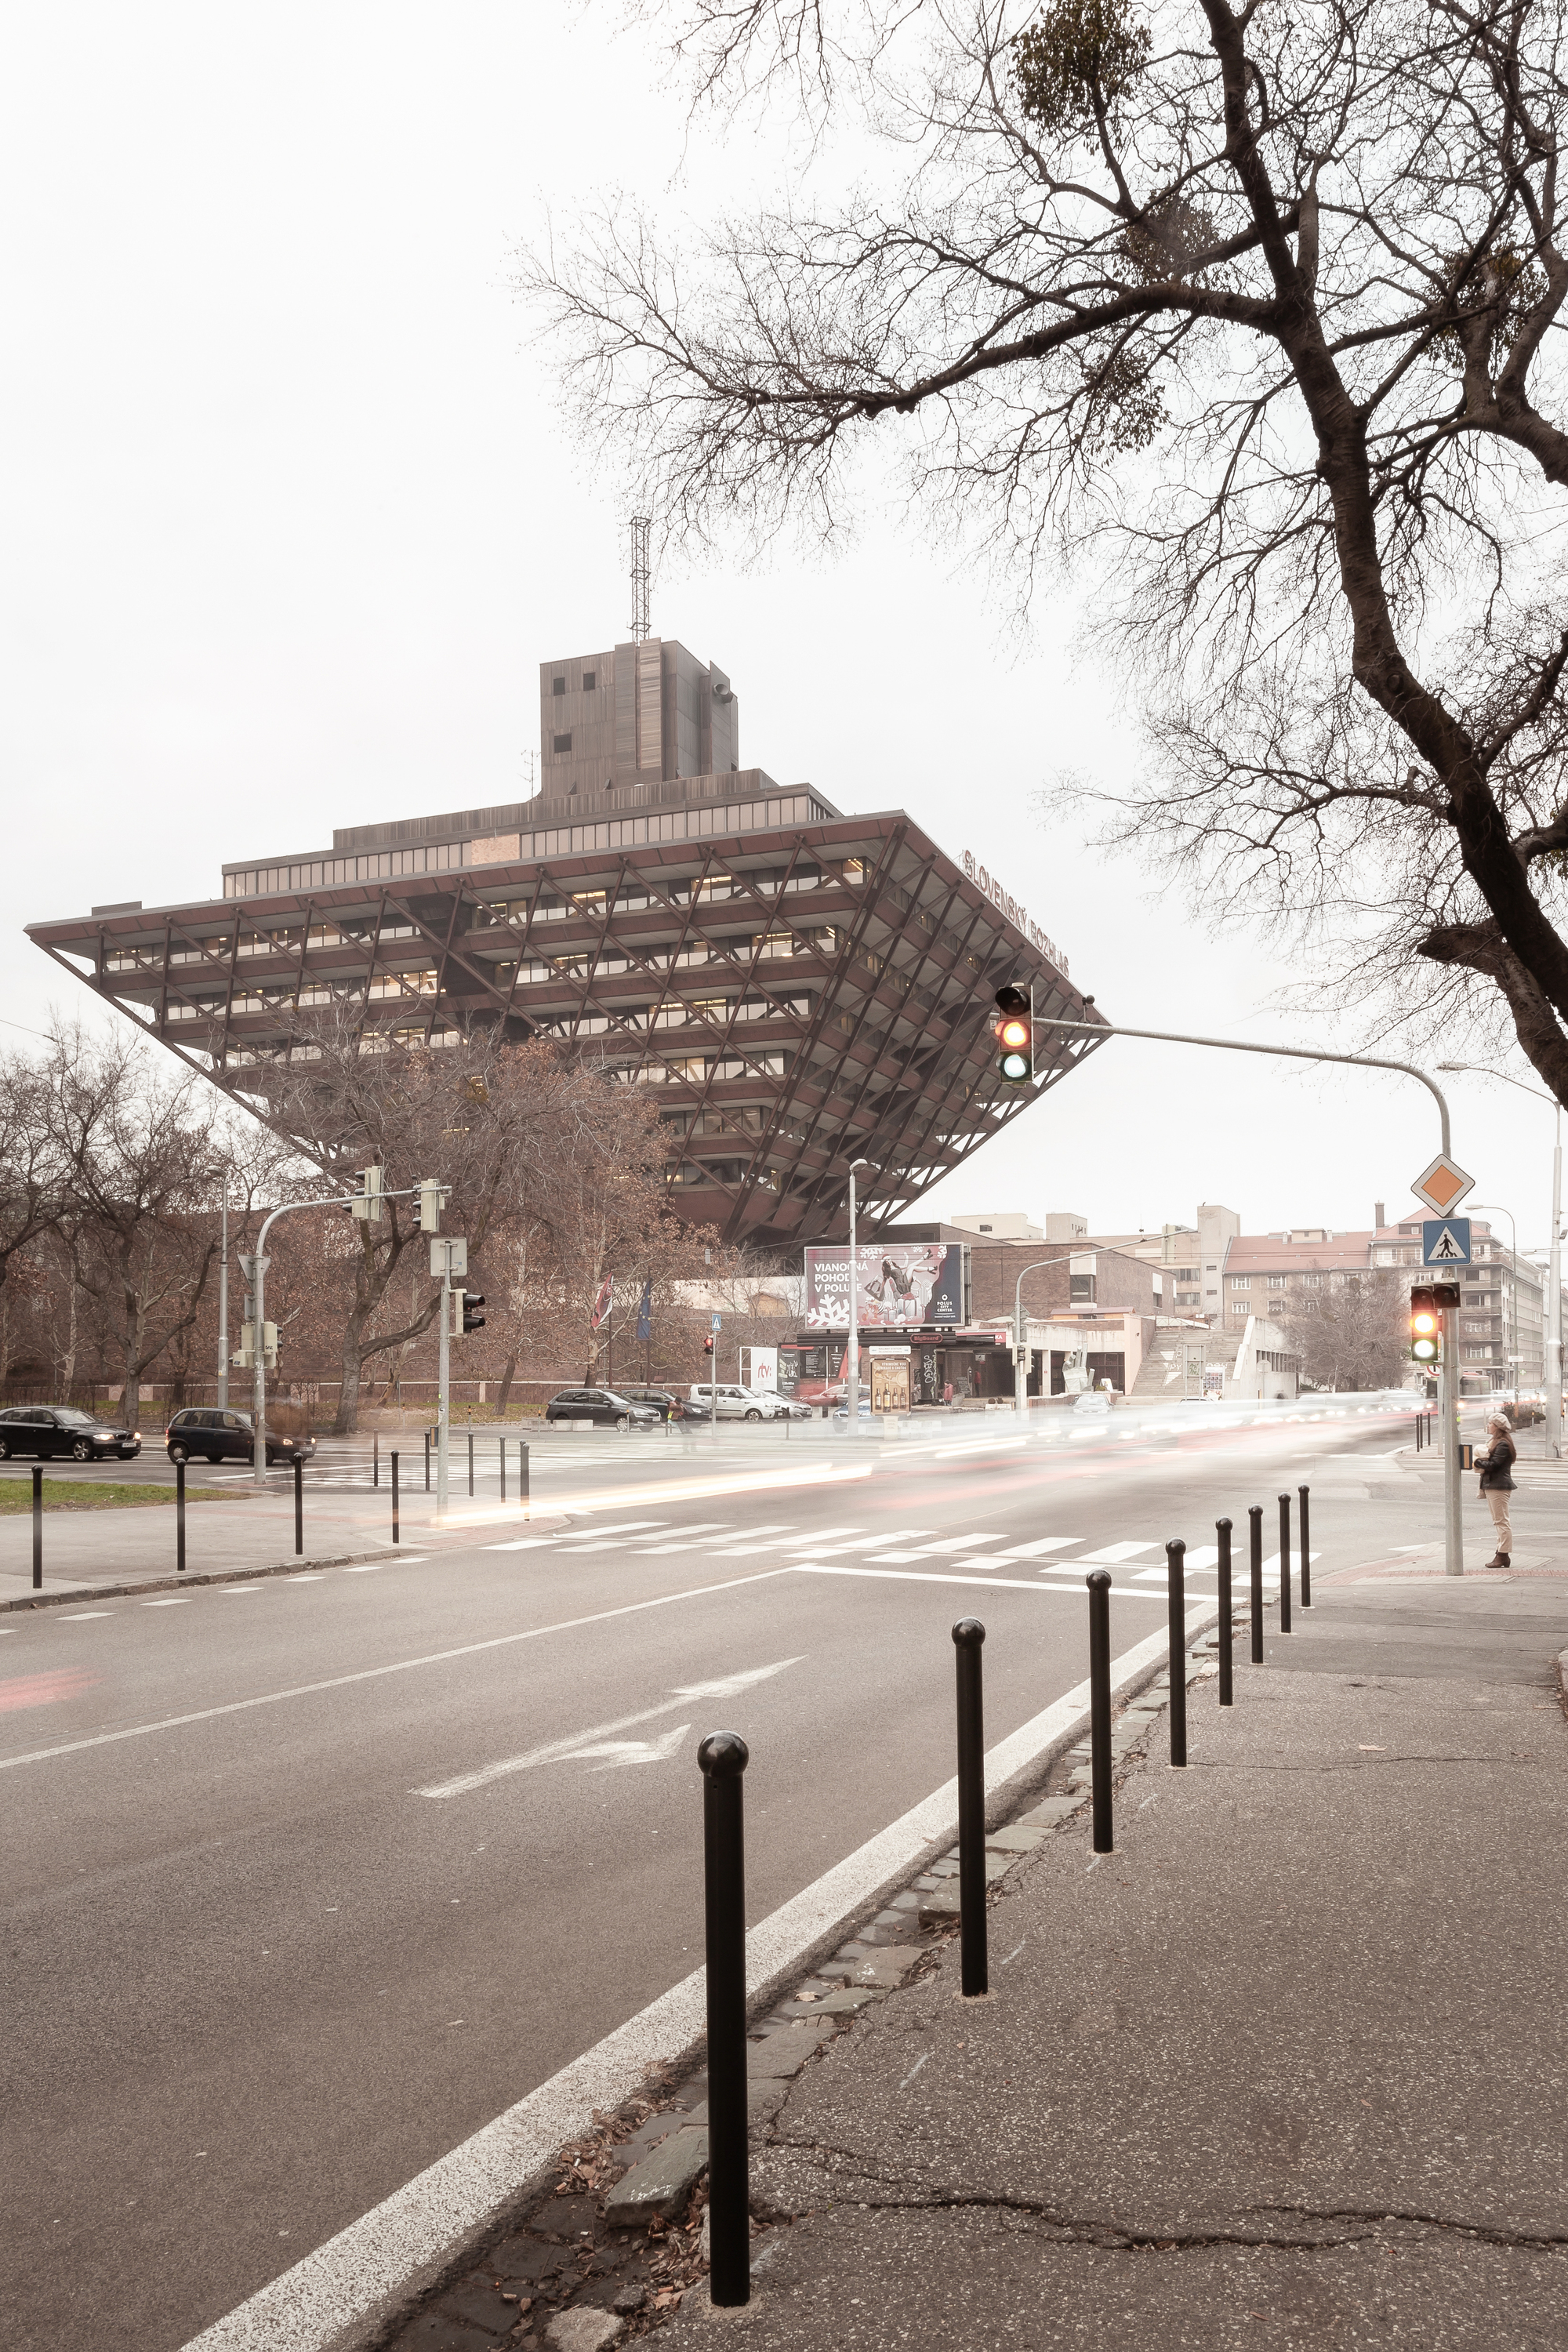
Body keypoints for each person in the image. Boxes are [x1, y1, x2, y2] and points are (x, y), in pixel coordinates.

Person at [1476, 1411, 1516, 1568]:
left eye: (1490, 1423)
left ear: (1497, 1427)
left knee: (1501, 1521)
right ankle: (1501, 1555)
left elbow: (1493, 1465)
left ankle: (1503, 1555)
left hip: (1499, 1486)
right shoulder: (1497, 1441)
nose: (1488, 1425)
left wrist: (1477, 1461)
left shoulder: (1502, 1444)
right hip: (1495, 1485)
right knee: (1499, 1521)